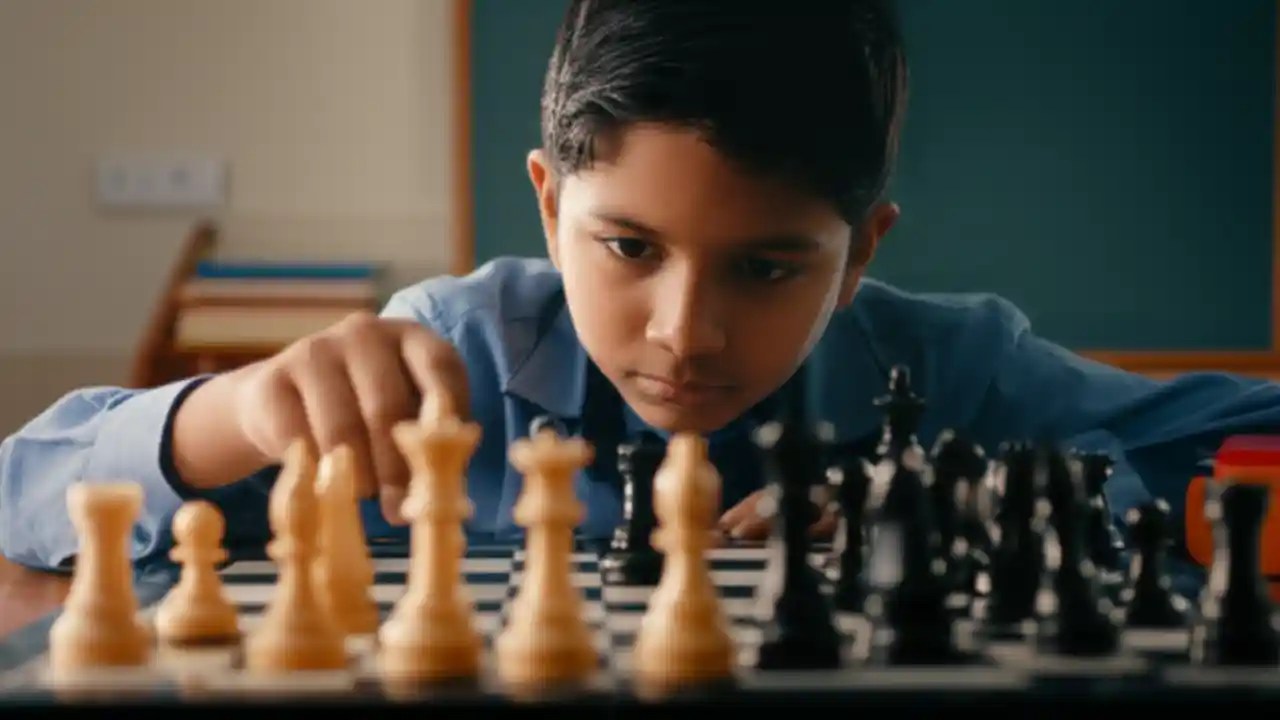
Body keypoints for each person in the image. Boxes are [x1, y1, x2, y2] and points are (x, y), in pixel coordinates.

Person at [2, 0, 1278, 590]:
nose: (684, 332)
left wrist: (1016, 496)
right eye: (626, 247)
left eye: (769, 266)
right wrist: (218, 420)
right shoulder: (448, 351)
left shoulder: (949, 372)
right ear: (550, 206)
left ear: (862, 255)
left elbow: (1250, 439)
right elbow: (17, 502)